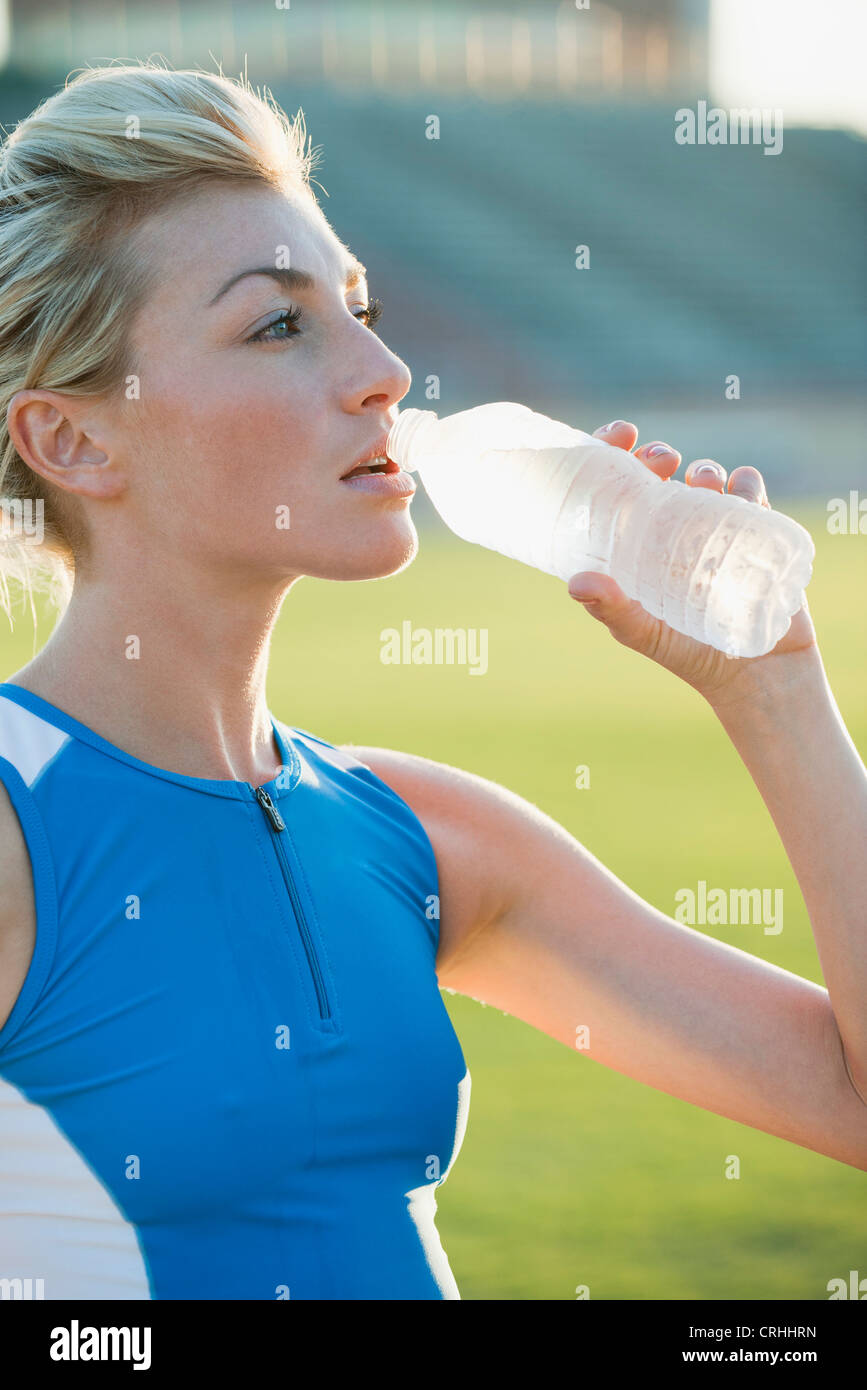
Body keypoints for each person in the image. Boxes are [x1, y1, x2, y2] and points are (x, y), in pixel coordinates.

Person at [0, 62, 864, 1302]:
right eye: (281, 323)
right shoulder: (17, 833)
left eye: (363, 307)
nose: (385, 372)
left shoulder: (426, 841)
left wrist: (772, 693)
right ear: (74, 438)